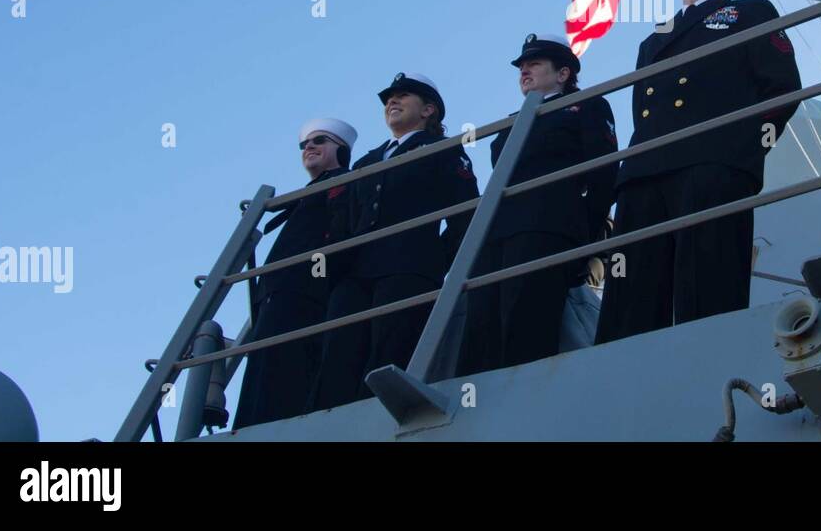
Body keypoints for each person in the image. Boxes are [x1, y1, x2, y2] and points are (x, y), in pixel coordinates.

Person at [596, 0, 802, 344]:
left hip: (713, 163)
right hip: (646, 172)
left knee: (707, 285)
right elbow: (643, 113)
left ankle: (710, 361)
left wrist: (743, 153)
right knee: (630, 295)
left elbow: (782, 89)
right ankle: (621, 375)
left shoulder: (749, 13)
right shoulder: (654, 40)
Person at [310, 72, 478, 409]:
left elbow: (465, 216)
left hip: (407, 269)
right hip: (356, 274)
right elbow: (344, 220)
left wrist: (432, 262)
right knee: (338, 355)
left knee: (389, 353)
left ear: (429, 110)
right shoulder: (368, 160)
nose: (392, 102)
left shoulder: (443, 149)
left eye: (403, 96)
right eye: (389, 98)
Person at [458, 33, 618, 374]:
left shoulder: (587, 106)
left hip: (548, 228)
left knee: (527, 319)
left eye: (534, 64)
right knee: (482, 321)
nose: (524, 72)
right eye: (521, 67)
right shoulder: (511, 121)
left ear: (562, 73)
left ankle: (522, 393)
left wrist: (584, 242)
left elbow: (603, 174)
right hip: (497, 232)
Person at [233, 118, 356, 429]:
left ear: (341, 151)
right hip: (278, 293)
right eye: (305, 144)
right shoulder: (308, 193)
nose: (309, 147)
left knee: (284, 369)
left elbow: (341, 234)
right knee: (264, 366)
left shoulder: (343, 182)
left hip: (304, 294)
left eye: (320, 141)